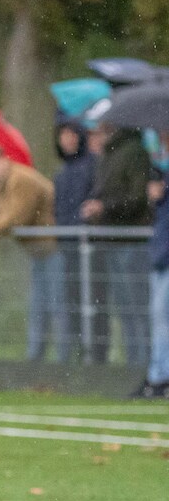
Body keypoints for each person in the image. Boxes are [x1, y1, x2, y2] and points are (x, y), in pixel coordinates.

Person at [0, 142, 59, 361]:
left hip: (53, 249)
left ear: (3, 159)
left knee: (57, 307)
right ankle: (35, 357)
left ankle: (62, 360)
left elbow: (15, 218)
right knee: (38, 306)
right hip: (36, 252)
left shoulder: (21, 179)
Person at [81, 125, 153, 370]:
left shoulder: (133, 152)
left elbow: (137, 198)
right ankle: (136, 366)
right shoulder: (109, 155)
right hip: (113, 240)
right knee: (126, 311)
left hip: (130, 242)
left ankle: (145, 366)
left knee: (137, 309)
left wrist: (106, 208)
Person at [52, 118, 109, 364]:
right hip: (68, 248)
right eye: (63, 135)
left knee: (95, 303)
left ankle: (96, 356)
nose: (68, 139)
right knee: (73, 303)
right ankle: (77, 354)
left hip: (90, 248)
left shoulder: (93, 166)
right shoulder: (62, 173)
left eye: (72, 134)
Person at [133, 151, 168, 398]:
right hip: (160, 260)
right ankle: (156, 375)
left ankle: (160, 377)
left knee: (161, 317)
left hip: (165, 258)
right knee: (157, 318)